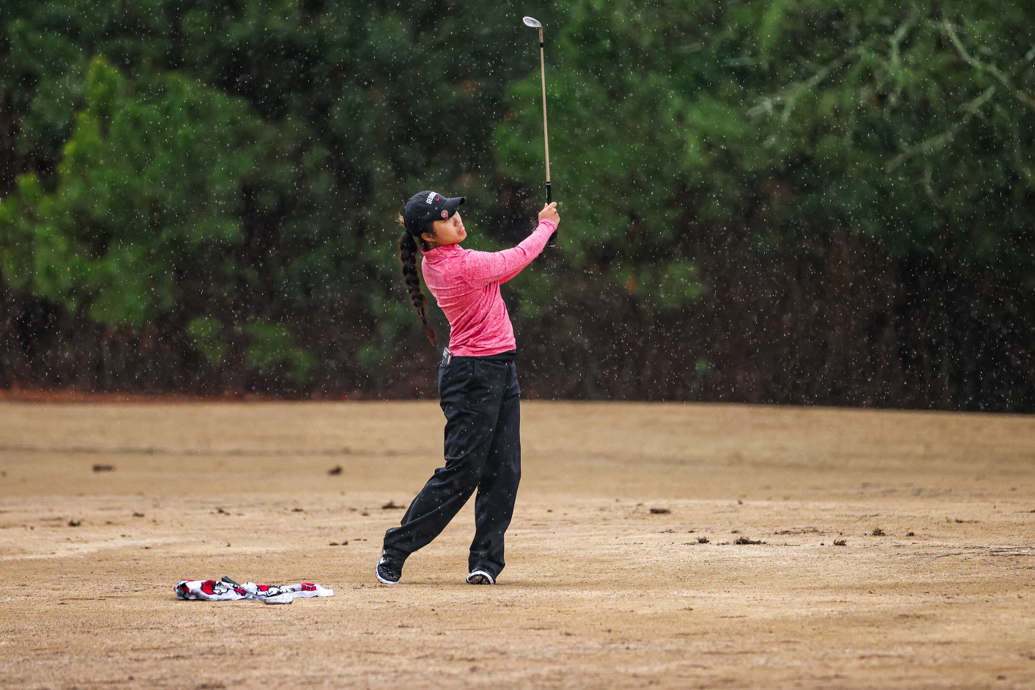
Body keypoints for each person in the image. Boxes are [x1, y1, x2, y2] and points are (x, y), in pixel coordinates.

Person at [376, 191, 560, 585]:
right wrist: (545, 227)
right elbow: (510, 260)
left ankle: (485, 563)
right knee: (463, 472)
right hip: (473, 375)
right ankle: (396, 547)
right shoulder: (456, 266)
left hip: (499, 368)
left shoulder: (452, 258)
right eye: (446, 218)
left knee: (504, 471)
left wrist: (540, 238)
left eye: (455, 212)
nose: (457, 219)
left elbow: (508, 267)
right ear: (428, 236)